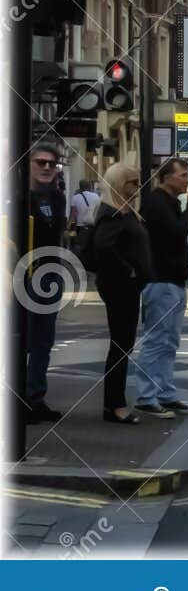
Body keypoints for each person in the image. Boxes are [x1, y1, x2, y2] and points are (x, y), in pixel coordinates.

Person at [134, 158, 188, 419]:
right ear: (166, 177)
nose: (187, 180)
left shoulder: (169, 202)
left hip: (173, 281)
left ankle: (165, 393)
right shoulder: (156, 203)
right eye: (183, 175)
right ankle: (146, 397)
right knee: (156, 341)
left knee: (170, 342)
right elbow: (177, 231)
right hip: (160, 281)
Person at [92, 163, 151, 425]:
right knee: (120, 345)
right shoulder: (112, 213)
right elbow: (104, 246)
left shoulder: (125, 210)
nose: (138, 187)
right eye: (133, 182)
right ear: (118, 184)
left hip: (127, 287)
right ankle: (114, 405)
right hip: (119, 287)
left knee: (124, 345)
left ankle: (115, 402)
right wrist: (129, 271)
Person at [22, 143, 67, 424]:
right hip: (22, 275)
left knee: (43, 341)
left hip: (50, 274)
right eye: (41, 162)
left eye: (52, 163)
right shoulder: (16, 196)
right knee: (20, 339)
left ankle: (35, 398)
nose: (47, 167)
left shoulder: (58, 197)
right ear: (28, 165)